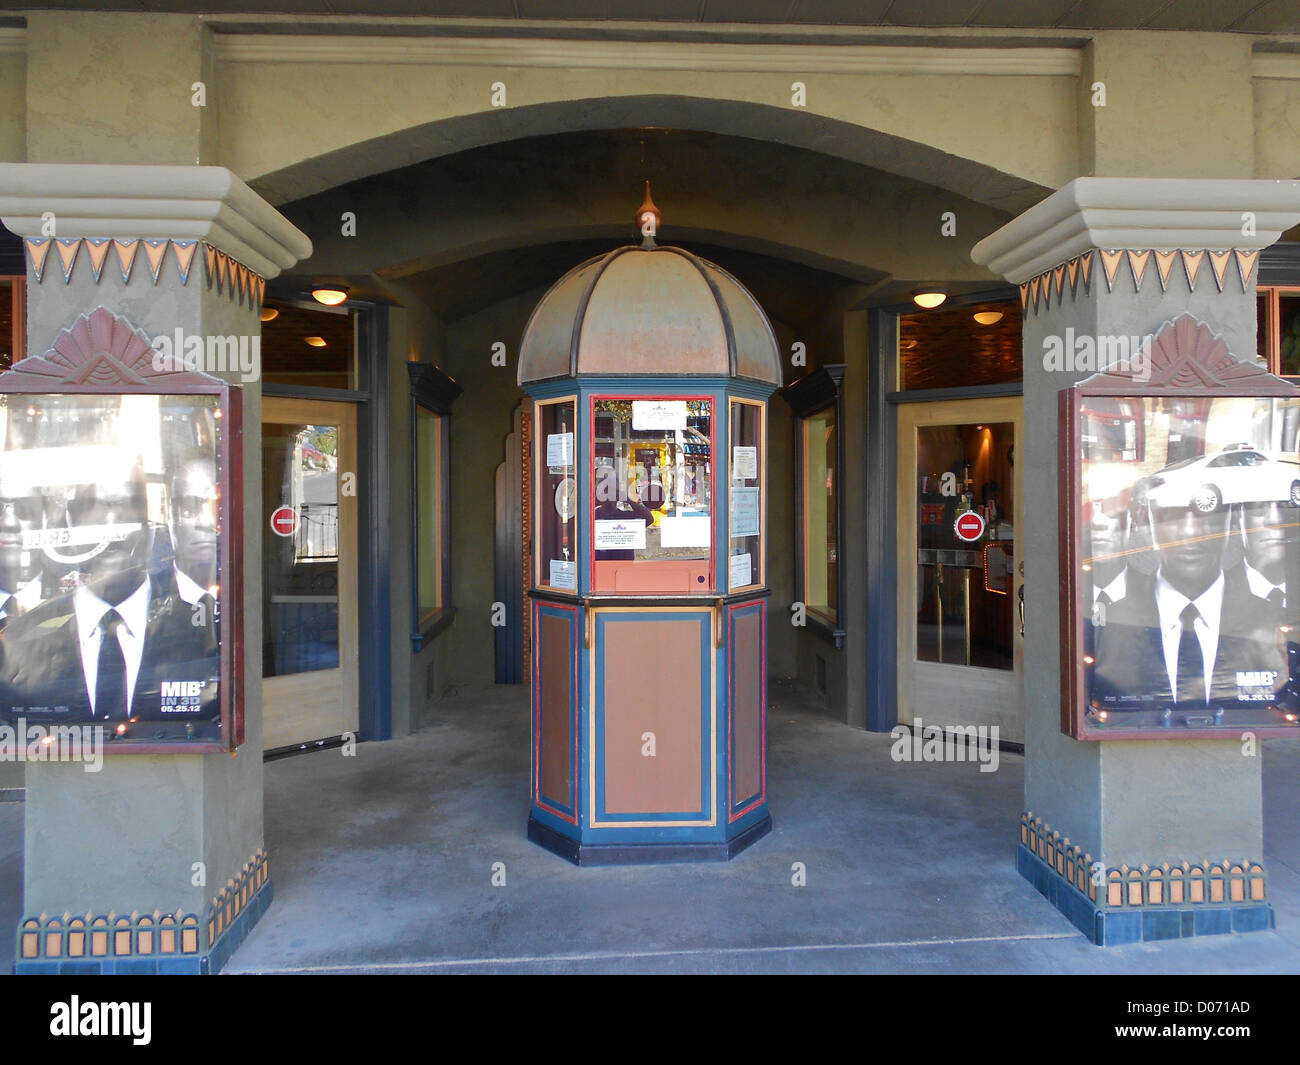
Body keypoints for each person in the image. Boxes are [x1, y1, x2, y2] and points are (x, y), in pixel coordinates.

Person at [0, 460, 219, 732]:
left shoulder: (204, 626)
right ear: (72, 520)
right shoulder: (22, 639)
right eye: (96, 506)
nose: (112, 526)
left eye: (126, 506)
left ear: (149, 520)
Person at [1091, 499, 1287, 710]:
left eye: (1207, 514)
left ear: (1230, 523)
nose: (1190, 531)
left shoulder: (1268, 617)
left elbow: (1277, 705)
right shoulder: (1111, 621)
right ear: (1148, 525)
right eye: (1173, 514)